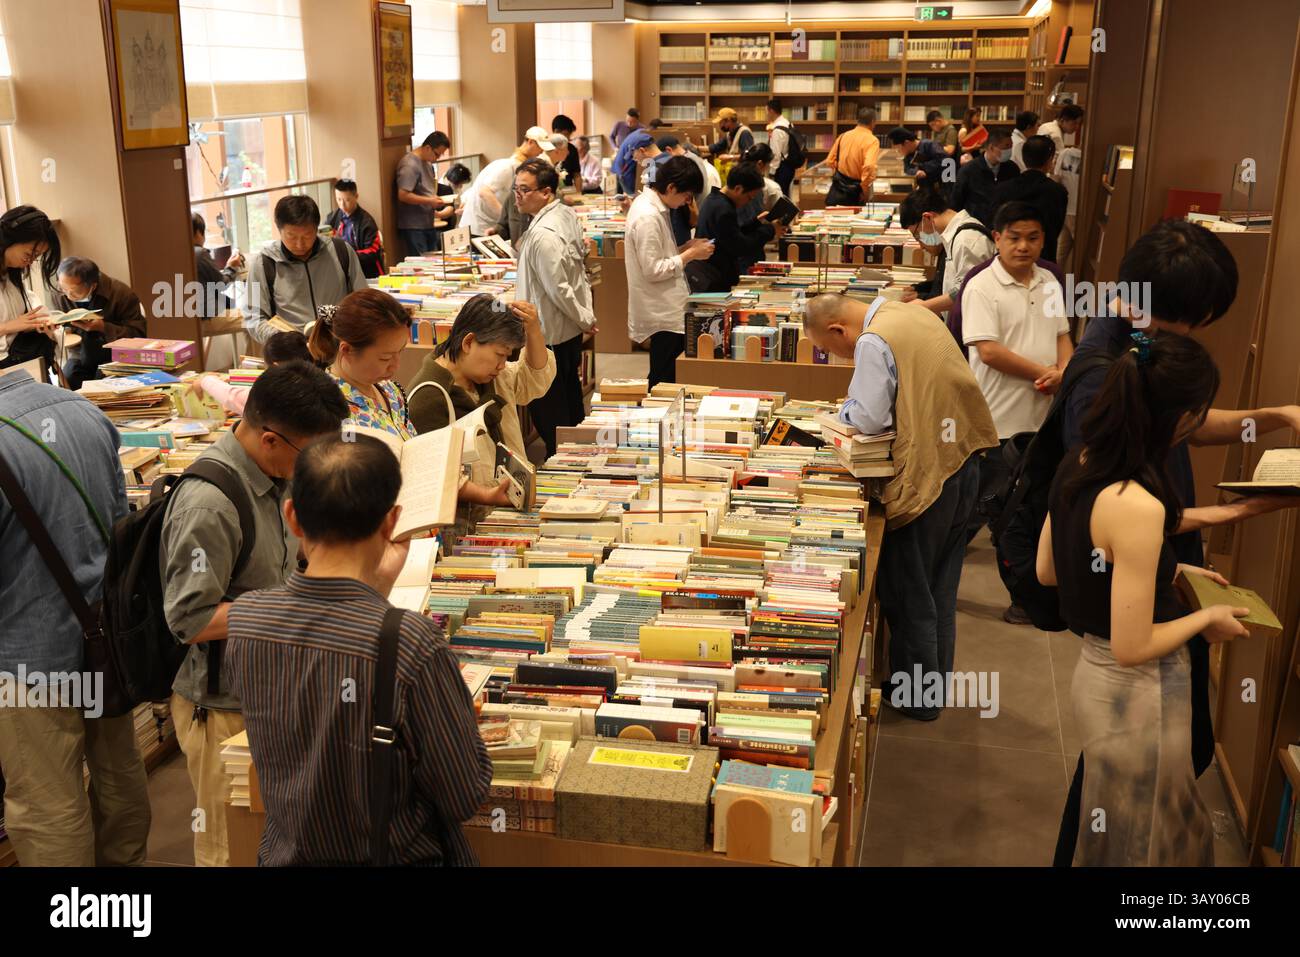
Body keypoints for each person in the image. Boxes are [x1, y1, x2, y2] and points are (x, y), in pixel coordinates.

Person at [1053, 219, 1300, 866]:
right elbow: (1115, 519)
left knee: (1117, 808)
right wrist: (1201, 613)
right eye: (1199, 317)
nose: (1200, 329)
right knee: (1131, 822)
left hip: (1130, 620)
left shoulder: (1135, 357)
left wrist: (1270, 424)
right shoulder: (1107, 375)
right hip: (1131, 642)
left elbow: (1080, 532)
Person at [225, 433, 492, 866]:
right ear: (392, 522)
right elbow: (464, 795)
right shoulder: (413, 642)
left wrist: (376, 587)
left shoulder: (247, 619)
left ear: (292, 516)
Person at [1037, 333, 1245, 866]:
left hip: (1094, 680)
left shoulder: (1080, 462)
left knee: (1115, 834)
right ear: (1182, 419)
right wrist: (1204, 618)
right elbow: (1134, 646)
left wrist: (1166, 568)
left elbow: (1048, 570)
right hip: (1139, 693)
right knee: (1151, 845)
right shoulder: (1140, 505)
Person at [161, 361, 350, 866]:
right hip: (222, 707)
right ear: (270, 439)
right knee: (230, 850)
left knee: (276, 840)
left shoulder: (274, 476)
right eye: (309, 452)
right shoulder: (210, 506)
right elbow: (189, 621)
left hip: (273, 690)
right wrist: (290, 607)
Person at [802, 294, 998, 721]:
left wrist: (843, 411)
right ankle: (932, 689)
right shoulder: (907, 310)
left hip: (928, 478)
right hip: (963, 464)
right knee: (940, 587)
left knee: (909, 591)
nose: (841, 357)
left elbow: (868, 420)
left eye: (834, 350)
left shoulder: (873, 340)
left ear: (838, 330)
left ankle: (918, 700)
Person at [0, 366, 151, 866]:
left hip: (26, 659)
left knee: (48, 802)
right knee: (118, 769)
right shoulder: (82, 409)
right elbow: (118, 519)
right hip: (102, 639)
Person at [960, 202, 1073, 549]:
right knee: (979, 507)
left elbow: (1062, 338)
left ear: (1043, 241)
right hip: (996, 421)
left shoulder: (1050, 280)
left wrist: (1064, 374)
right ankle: (937, 573)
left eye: (1033, 238)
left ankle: (1020, 588)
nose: (1023, 246)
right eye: (1014, 238)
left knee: (1024, 512)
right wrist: (1044, 373)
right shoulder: (981, 286)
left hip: (1040, 420)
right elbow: (989, 351)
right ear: (997, 238)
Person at [408, 294, 555, 466]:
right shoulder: (428, 396)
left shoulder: (491, 375)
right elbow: (435, 473)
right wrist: (483, 494)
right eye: (499, 355)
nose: (502, 365)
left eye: (506, 356)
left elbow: (533, 379)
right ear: (468, 342)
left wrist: (534, 331)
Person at [512, 160, 596, 457]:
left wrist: (584, 318)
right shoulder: (563, 214)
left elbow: (558, 287)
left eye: (524, 190)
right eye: (516, 188)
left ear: (546, 192)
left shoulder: (544, 234)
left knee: (549, 402)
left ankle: (561, 459)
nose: (517, 196)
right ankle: (574, 453)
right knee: (568, 394)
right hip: (564, 328)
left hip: (547, 333)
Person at [625, 156, 714, 388]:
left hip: (667, 306)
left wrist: (686, 247)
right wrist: (690, 255)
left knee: (666, 375)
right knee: (663, 380)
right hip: (662, 311)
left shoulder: (655, 207)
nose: (688, 201)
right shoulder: (648, 216)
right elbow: (653, 269)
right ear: (671, 187)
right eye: (686, 195)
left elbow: (659, 254)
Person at [242, 195, 368, 342]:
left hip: (340, 346)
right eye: (291, 236)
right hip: (292, 352)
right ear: (279, 229)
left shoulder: (341, 251)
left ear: (317, 228)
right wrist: (280, 338)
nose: (300, 244)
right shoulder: (263, 263)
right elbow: (253, 317)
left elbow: (363, 300)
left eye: (307, 235)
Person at [898, 182, 995, 316]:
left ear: (927, 218)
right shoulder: (954, 236)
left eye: (917, 235)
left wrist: (925, 305)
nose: (920, 244)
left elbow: (967, 290)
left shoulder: (967, 240)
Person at [52, 257, 146, 390]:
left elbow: (139, 335)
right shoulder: (59, 294)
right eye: (63, 288)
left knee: (101, 385)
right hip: (80, 354)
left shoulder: (121, 293)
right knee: (69, 379)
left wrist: (103, 327)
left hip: (115, 355)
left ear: (93, 285)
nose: (68, 296)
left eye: (75, 291)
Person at [694, 162, 785, 291]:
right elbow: (740, 247)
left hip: (712, 273)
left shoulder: (714, 199)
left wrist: (756, 222)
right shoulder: (723, 209)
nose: (749, 202)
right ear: (738, 189)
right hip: (716, 277)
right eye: (749, 197)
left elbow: (730, 235)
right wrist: (771, 230)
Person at [193, 331, 314, 416]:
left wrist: (205, 380)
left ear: (276, 368)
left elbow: (234, 397)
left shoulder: (276, 396)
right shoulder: (316, 382)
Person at [0, 205, 61, 370]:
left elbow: (21, 321)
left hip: (20, 365)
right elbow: (12, 325)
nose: (32, 261)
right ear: (9, 239)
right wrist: (8, 326)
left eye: (37, 256)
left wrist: (38, 325)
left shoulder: (12, 276)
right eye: (29, 254)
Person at [993, 135, 1069, 264]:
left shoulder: (1003, 189)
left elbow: (996, 224)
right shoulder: (1057, 192)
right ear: (1049, 160)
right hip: (1044, 260)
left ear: (1024, 158)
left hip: (1008, 260)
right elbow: (1056, 228)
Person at [460, 128, 550, 236]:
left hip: (489, 226)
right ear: (530, 142)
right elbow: (484, 192)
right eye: (540, 147)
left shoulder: (517, 165)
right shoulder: (507, 166)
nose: (541, 151)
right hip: (478, 228)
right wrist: (507, 218)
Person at [395, 131, 452, 255]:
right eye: (437, 154)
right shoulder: (409, 165)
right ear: (427, 148)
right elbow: (403, 194)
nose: (437, 158)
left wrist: (434, 200)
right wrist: (430, 201)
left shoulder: (427, 163)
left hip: (427, 222)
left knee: (433, 261)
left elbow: (425, 191)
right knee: (422, 264)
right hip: (414, 226)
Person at [950, 129, 1021, 227]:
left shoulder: (1012, 169)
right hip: (975, 228)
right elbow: (956, 204)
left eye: (1011, 146)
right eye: (1006, 146)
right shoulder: (968, 171)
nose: (1010, 150)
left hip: (1004, 227)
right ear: (991, 147)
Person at [820, 107, 880, 207]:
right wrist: (864, 189)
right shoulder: (872, 140)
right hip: (856, 191)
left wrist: (841, 172)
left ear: (858, 121)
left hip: (838, 188)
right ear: (873, 122)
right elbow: (869, 166)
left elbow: (829, 161)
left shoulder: (843, 136)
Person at [326, 180, 384, 279]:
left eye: (347, 200)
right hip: (341, 269)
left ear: (356, 196)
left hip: (365, 271)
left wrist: (348, 256)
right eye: (339, 199)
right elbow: (325, 238)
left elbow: (373, 252)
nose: (342, 205)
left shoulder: (367, 222)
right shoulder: (333, 217)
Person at [192, 212, 244, 320]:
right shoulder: (199, 253)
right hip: (208, 314)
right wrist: (231, 266)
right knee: (252, 316)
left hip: (190, 314)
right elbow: (221, 284)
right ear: (198, 232)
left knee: (232, 303)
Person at [766, 98, 799, 197]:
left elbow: (775, 154)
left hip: (781, 168)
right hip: (790, 165)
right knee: (786, 196)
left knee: (780, 198)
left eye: (766, 111)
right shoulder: (788, 123)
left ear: (771, 111)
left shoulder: (777, 129)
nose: (766, 114)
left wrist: (771, 173)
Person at [551, 114, 583, 188]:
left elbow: (577, 175)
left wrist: (578, 194)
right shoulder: (546, 148)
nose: (569, 138)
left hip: (568, 191)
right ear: (556, 131)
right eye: (567, 134)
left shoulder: (572, 149)